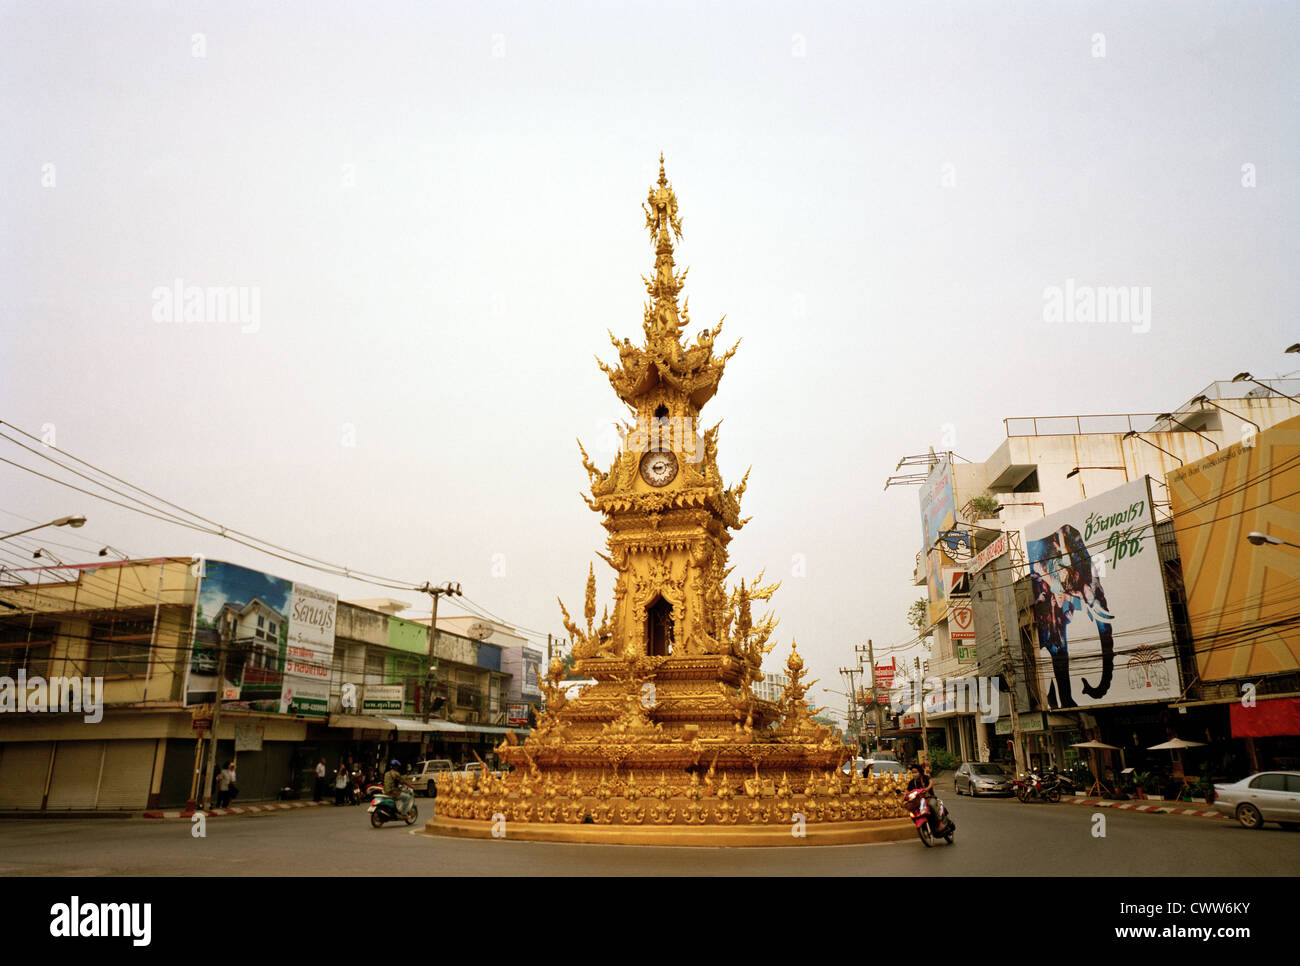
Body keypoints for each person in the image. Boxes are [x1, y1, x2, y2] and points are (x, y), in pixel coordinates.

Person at [907, 762, 938, 831]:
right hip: (918, 801)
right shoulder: (911, 782)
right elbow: (908, 791)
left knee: (932, 805)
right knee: (911, 810)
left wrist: (927, 788)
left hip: (929, 798)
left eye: (915, 772)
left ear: (920, 772)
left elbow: (931, 782)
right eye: (912, 772)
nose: (914, 774)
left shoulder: (925, 778)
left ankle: (940, 822)